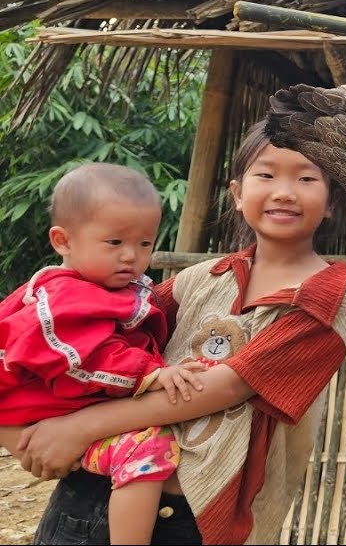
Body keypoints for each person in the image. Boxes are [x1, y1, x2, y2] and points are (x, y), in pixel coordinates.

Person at [14, 120, 346, 545]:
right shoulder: (203, 278)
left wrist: (75, 428)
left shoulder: (327, 296)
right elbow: (94, 322)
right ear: (238, 194)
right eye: (266, 174)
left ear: (332, 200)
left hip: (190, 518)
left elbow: (224, 389)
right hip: (88, 496)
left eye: (307, 178)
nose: (284, 191)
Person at [0, 162, 206, 545]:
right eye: (114, 243)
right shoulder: (66, 298)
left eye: (144, 244)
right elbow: (82, 357)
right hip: (36, 415)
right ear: (63, 241)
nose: (131, 256)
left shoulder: (110, 288)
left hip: (58, 416)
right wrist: (153, 373)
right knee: (149, 449)